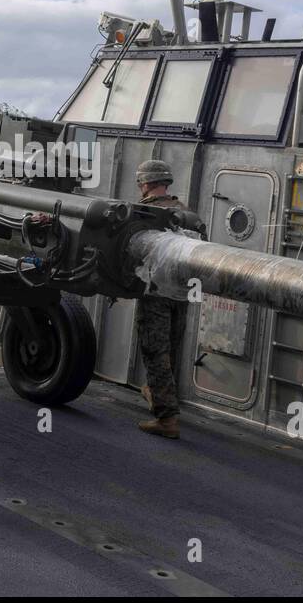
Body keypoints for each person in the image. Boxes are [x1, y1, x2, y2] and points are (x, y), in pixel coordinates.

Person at [133, 159, 189, 439]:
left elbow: (134, 252)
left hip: (156, 292)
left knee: (155, 351)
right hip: (182, 293)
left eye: (141, 182)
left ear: (147, 183)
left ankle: (167, 419)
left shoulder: (145, 212)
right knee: (171, 351)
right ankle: (156, 394)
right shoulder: (186, 212)